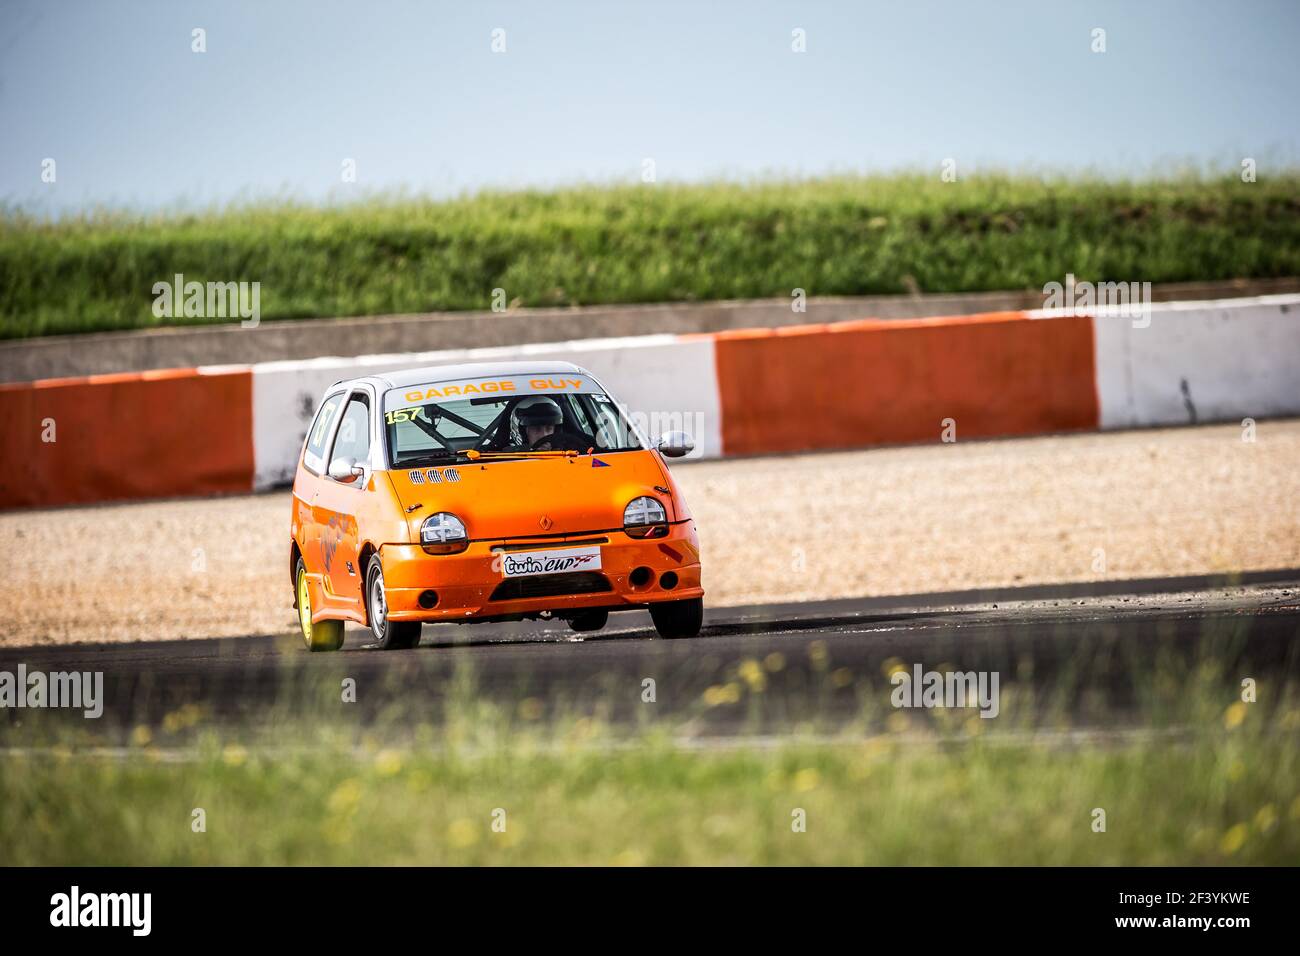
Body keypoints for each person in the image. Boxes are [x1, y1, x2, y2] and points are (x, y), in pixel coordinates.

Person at [510, 396, 590, 452]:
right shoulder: (508, 459)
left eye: (549, 429)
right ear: (523, 432)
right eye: (537, 429)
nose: (544, 435)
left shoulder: (571, 455)